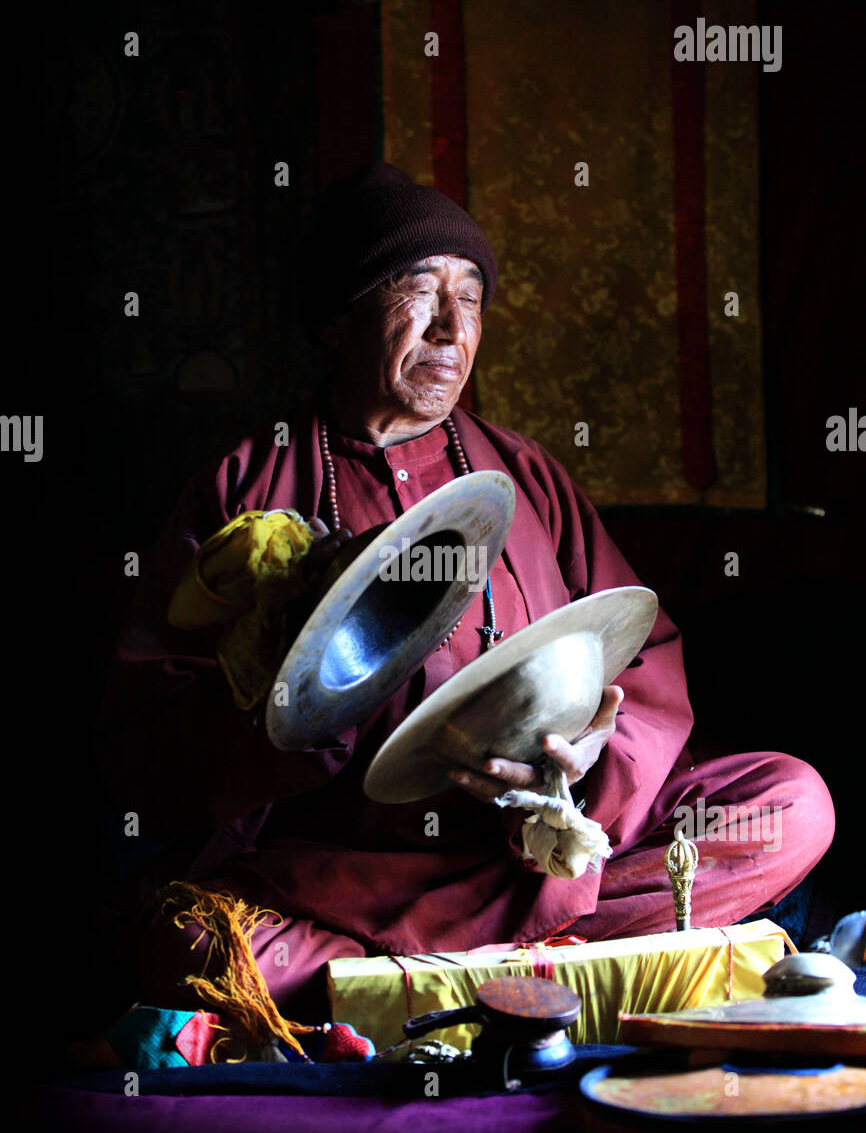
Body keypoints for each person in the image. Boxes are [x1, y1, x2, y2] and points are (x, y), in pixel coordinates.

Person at [96, 163, 834, 1026]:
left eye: (472, 297)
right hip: (355, 875)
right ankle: (548, 978)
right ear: (337, 318)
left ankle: (422, 993)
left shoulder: (525, 473)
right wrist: (293, 726)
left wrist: (599, 759)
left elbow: (647, 651)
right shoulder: (246, 490)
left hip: (544, 855)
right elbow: (147, 739)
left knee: (790, 804)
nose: (452, 326)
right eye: (418, 289)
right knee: (191, 944)